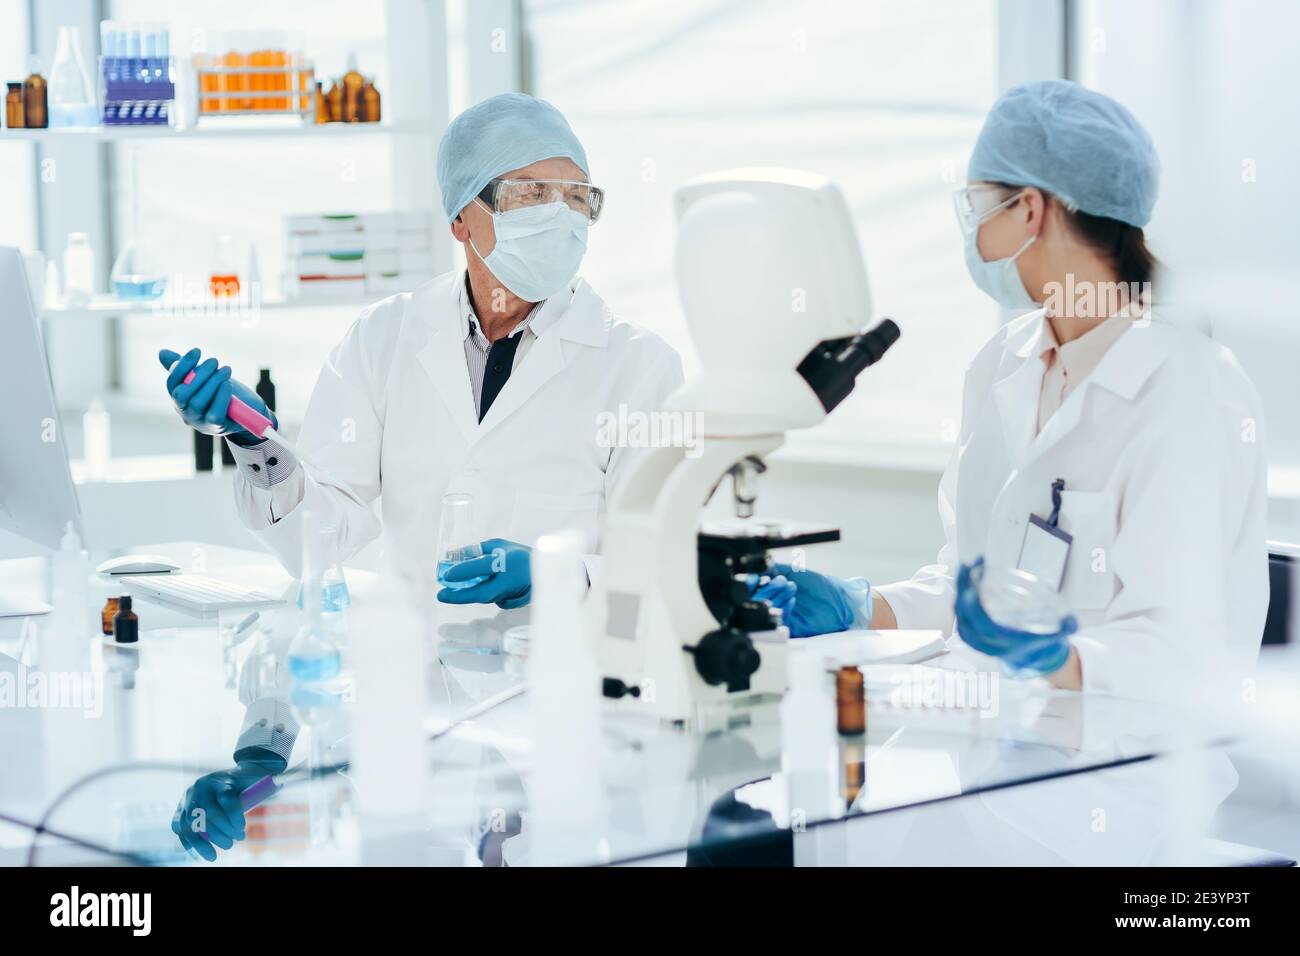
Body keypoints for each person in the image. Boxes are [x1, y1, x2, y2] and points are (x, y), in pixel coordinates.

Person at [756, 80, 1268, 702]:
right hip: (997, 753)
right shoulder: (1002, 363)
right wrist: (864, 605)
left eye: (978, 207)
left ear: (1029, 209)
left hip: (1132, 773)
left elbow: (1184, 652)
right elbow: (975, 586)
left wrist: (1057, 657)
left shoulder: (1192, 389)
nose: (972, 234)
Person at [158, 93, 684, 609]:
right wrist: (255, 444)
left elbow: (667, 563)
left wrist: (559, 574)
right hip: (414, 676)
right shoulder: (384, 338)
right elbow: (319, 542)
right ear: (461, 218)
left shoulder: (640, 368)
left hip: (559, 674)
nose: (559, 216)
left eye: (575, 197)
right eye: (530, 193)